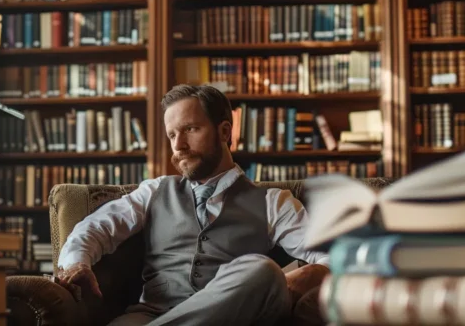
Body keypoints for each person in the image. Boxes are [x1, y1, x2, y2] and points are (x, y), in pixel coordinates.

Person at [54, 84, 329, 325]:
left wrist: (310, 273)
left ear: (224, 131)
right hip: (150, 315)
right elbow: (94, 229)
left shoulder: (273, 202)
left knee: (262, 271)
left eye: (190, 129)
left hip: (233, 319)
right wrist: (78, 264)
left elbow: (332, 256)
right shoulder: (154, 190)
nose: (179, 145)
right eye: (172, 135)